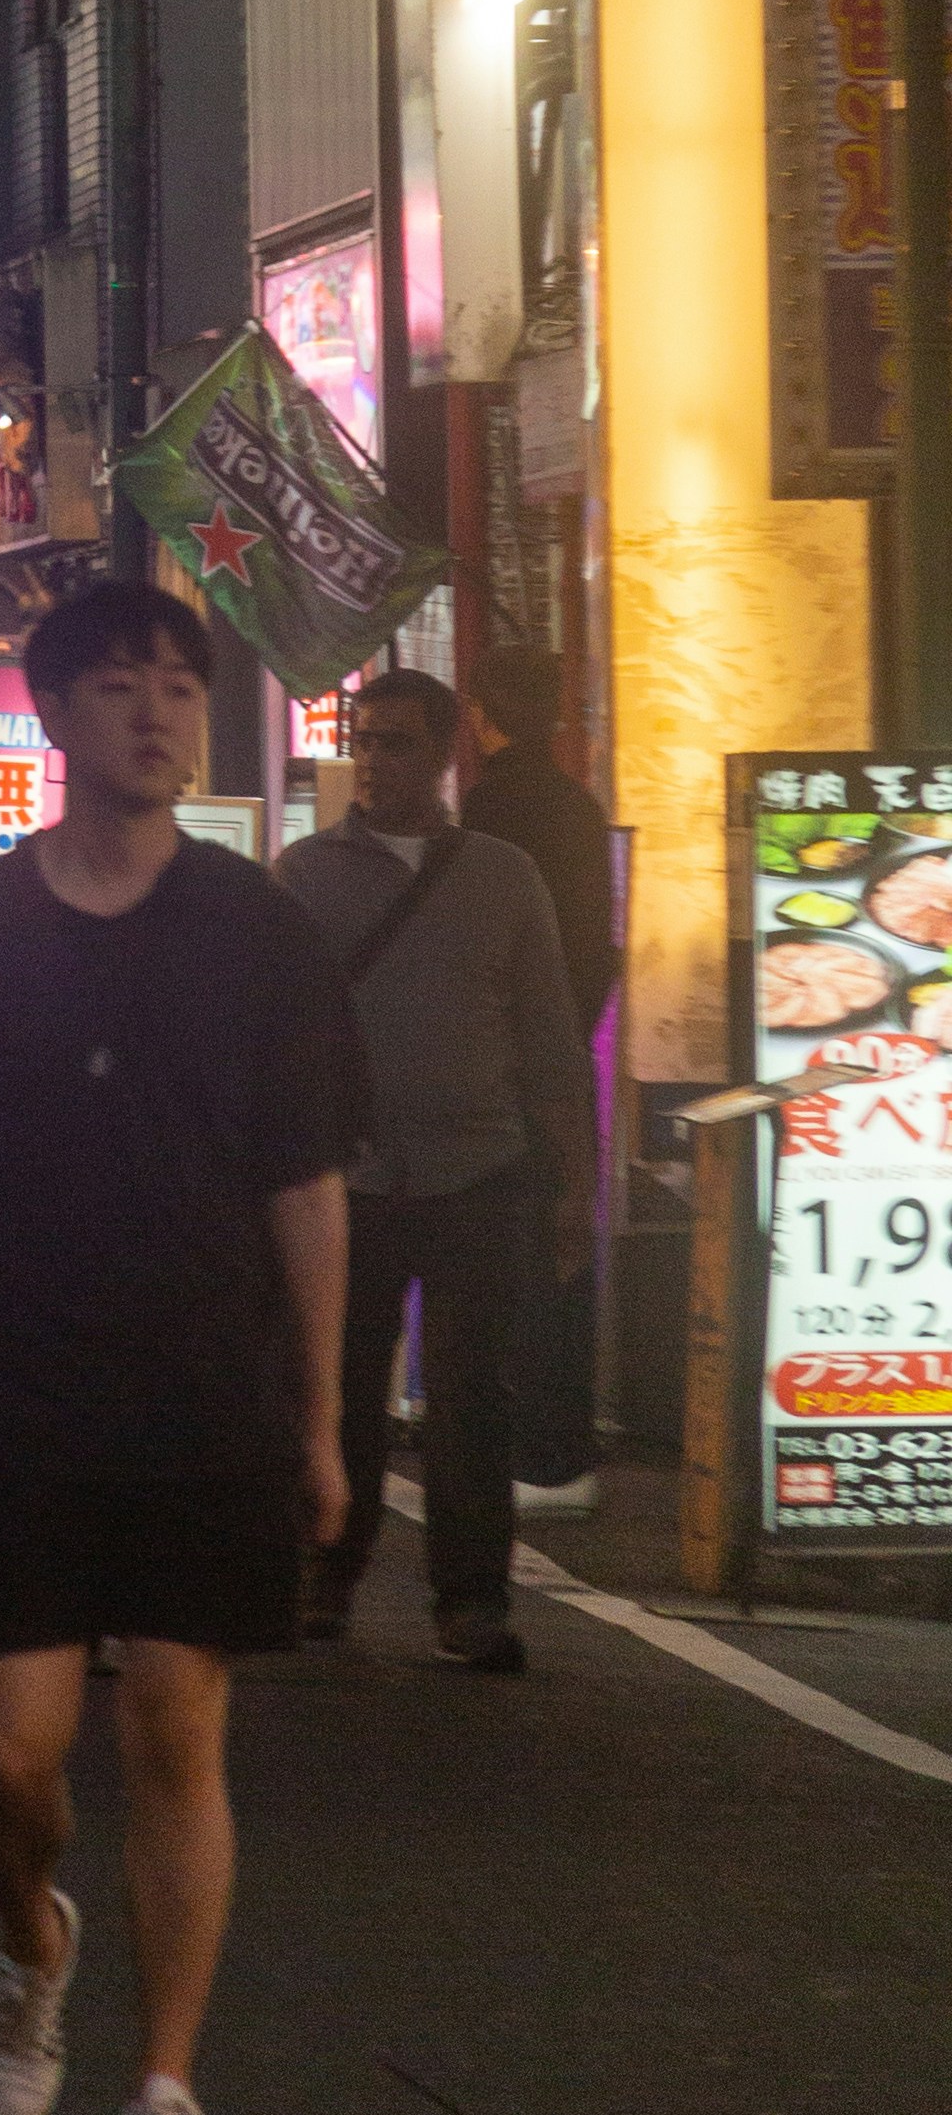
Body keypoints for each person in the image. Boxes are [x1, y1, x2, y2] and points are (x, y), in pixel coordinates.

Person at [0, 577, 355, 2115]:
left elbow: (306, 1182)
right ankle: (31, 1935)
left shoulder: (258, 929)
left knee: (178, 1726)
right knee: (9, 1761)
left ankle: (165, 2090)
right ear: (54, 716)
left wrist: (328, 1417)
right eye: (121, 684)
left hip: (209, 1378)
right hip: (21, 1380)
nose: (156, 710)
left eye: (178, 685)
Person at [275, 668, 588, 1674]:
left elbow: (548, 1037)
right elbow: (268, 1037)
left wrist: (576, 1185)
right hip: (347, 1181)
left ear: (450, 750)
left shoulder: (503, 877)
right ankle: (325, 1576)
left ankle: (471, 1600)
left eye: (398, 741)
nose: (374, 760)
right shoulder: (306, 874)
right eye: (363, 740)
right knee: (338, 1390)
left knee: (472, 1403)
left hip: (480, 1171)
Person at [460, 640, 620, 1513]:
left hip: (503, 1059)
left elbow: (482, 941)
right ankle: (562, 1448)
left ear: (482, 717)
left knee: (501, 1247)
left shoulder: (487, 805)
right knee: (563, 1239)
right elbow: (596, 946)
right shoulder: (579, 807)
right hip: (565, 1048)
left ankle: (527, 1443)